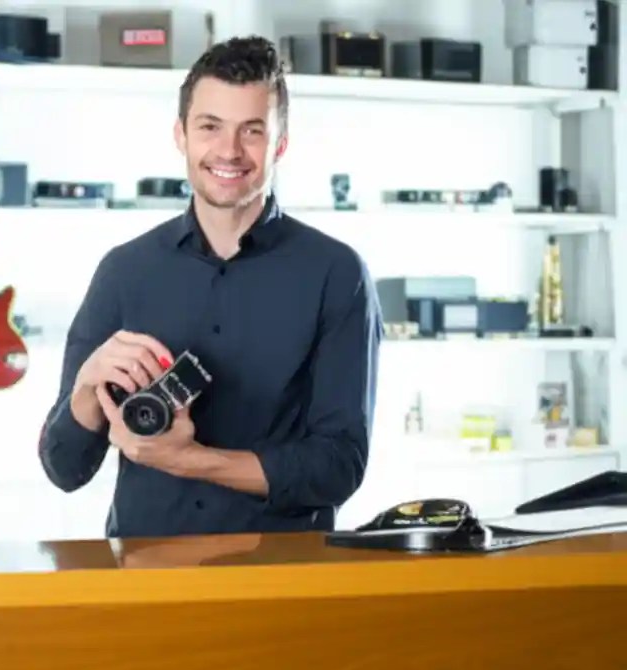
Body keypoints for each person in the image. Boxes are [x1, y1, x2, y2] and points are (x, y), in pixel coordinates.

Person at [37, 35, 382, 537]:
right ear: (181, 134)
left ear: (280, 143)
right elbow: (64, 468)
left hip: (279, 570)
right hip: (145, 570)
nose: (229, 151)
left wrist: (191, 460)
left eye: (252, 131)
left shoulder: (337, 273)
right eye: (210, 126)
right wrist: (87, 389)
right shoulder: (123, 271)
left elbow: (338, 466)